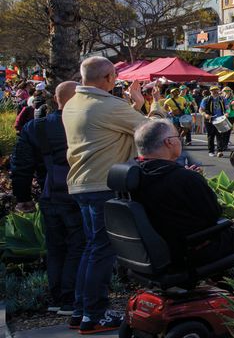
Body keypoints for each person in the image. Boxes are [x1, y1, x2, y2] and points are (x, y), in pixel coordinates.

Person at [62, 57, 150, 333]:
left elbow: (116, 125)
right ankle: (94, 314)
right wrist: (145, 103)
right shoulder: (109, 106)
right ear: (109, 78)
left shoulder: (74, 103)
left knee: (91, 249)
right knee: (102, 251)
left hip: (82, 183)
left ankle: (82, 311)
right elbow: (151, 131)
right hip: (104, 184)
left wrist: (133, 104)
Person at [130, 120, 234, 281]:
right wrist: (193, 179)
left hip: (152, 250)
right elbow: (213, 214)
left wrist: (186, 176)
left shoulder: (133, 174)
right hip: (189, 251)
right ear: (168, 142)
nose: (180, 139)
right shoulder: (185, 178)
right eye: (177, 135)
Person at [12, 81, 83, 317]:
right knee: (78, 245)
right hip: (79, 192)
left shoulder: (37, 127)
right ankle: (70, 297)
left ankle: (58, 297)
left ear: (55, 99)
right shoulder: (86, 123)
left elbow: (21, 165)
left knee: (56, 246)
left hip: (50, 193)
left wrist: (22, 197)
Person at [200, 86, 231, 157]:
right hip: (210, 120)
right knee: (211, 136)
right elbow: (201, 109)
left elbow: (228, 108)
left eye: (216, 90)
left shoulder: (223, 99)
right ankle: (211, 151)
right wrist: (205, 115)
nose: (215, 92)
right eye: (213, 91)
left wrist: (227, 113)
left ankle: (219, 151)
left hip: (220, 120)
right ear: (210, 91)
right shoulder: (206, 99)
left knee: (220, 135)